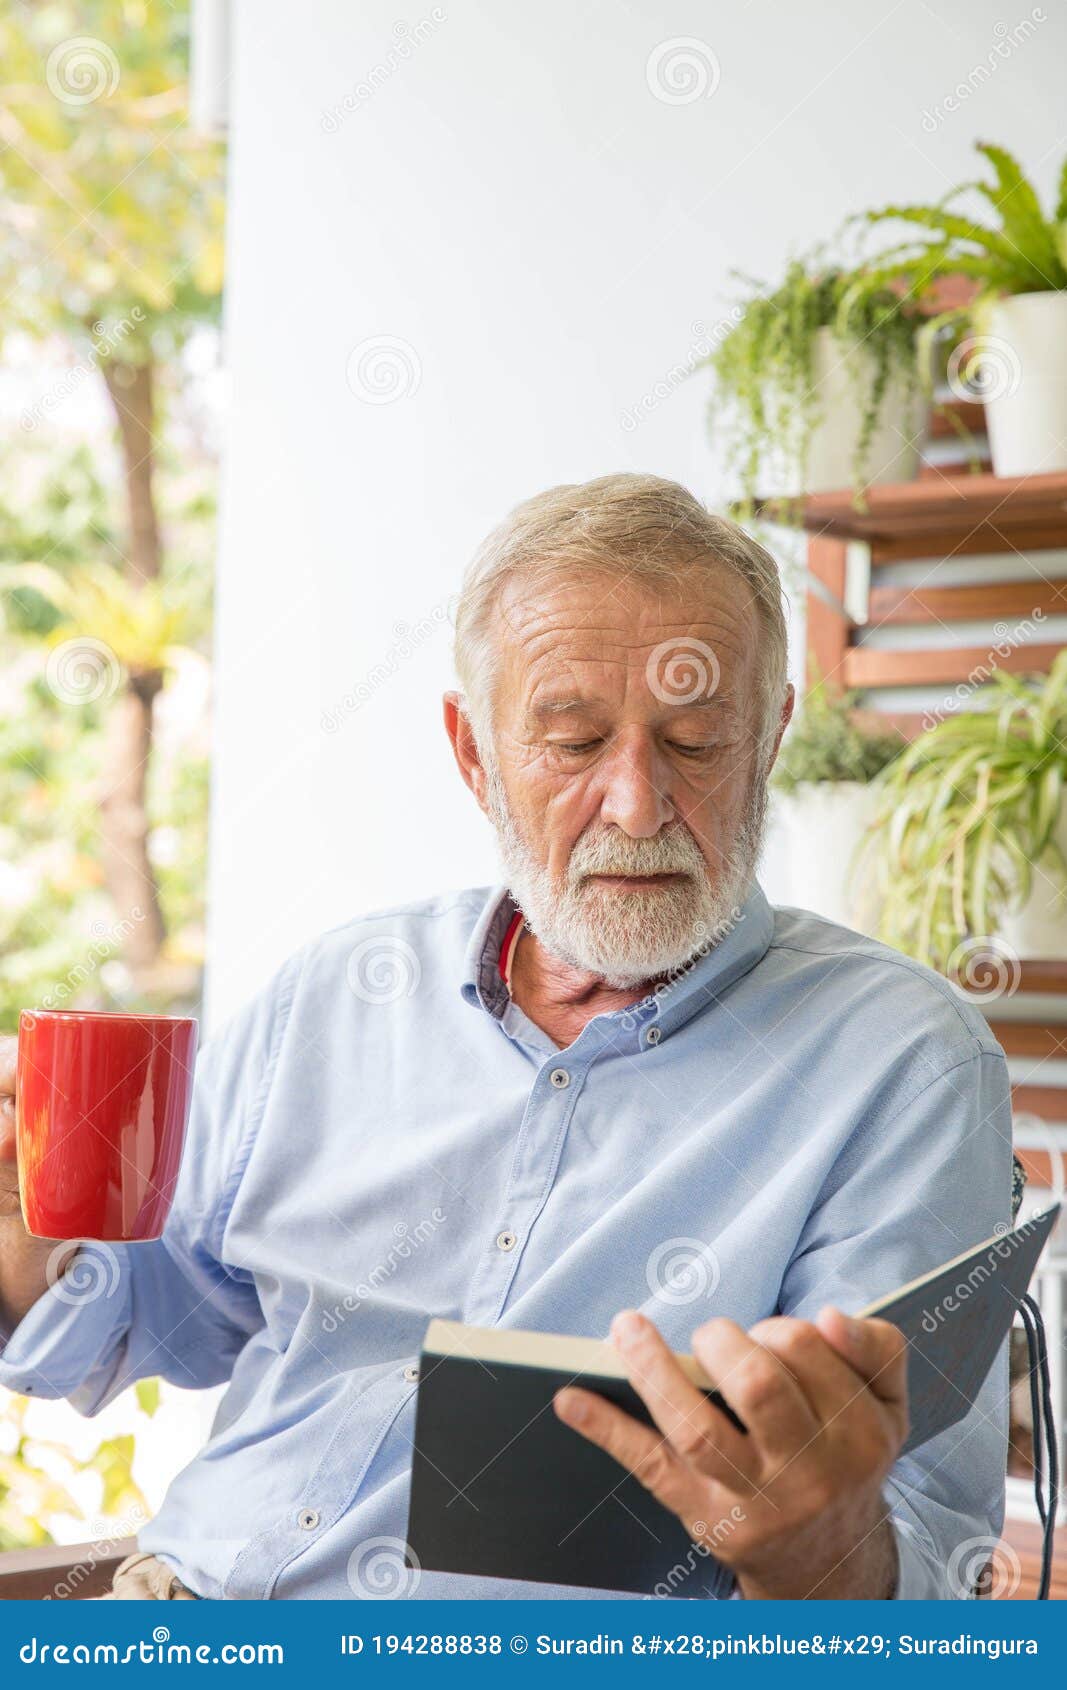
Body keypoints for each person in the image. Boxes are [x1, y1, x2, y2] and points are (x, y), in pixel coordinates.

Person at [0, 475, 1011, 1601]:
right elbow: (161, 1314)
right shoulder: (334, 994)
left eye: (694, 738)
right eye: (573, 741)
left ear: (766, 739)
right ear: (472, 753)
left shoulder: (902, 1060)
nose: (634, 801)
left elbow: (928, 1557)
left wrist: (815, 1548)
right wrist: (23, 1242)